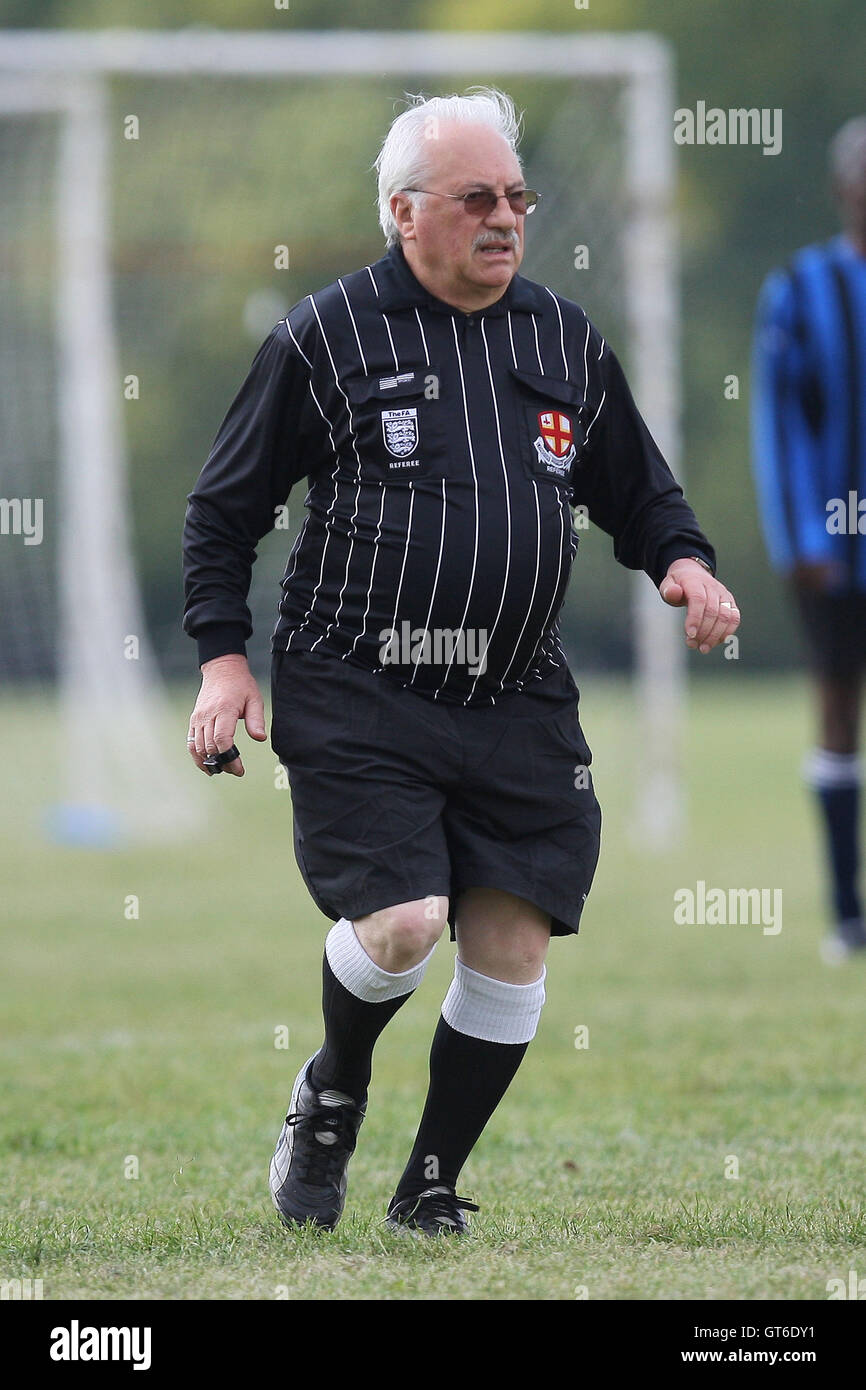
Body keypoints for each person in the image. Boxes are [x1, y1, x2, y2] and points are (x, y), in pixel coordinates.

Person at [183, 88, 739, 1236]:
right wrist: (222, 663)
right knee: (402, 926)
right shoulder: (322, 336)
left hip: (513, 690)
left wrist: (683, 563)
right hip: (356, 682)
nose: (504, 218)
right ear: (403, 212)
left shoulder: (563, 337)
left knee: (512, 947)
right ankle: (329, 1095)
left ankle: (427, 1182)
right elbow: (223, 510)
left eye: (516, 198)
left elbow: (639, 492)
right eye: (476, 198)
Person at [752, 115, 866, 964]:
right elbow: (778, 423)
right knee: (836, 708)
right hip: (837, 545)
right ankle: (845, 912)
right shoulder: (801, 288)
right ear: (843, 189)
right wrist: (800, 539)